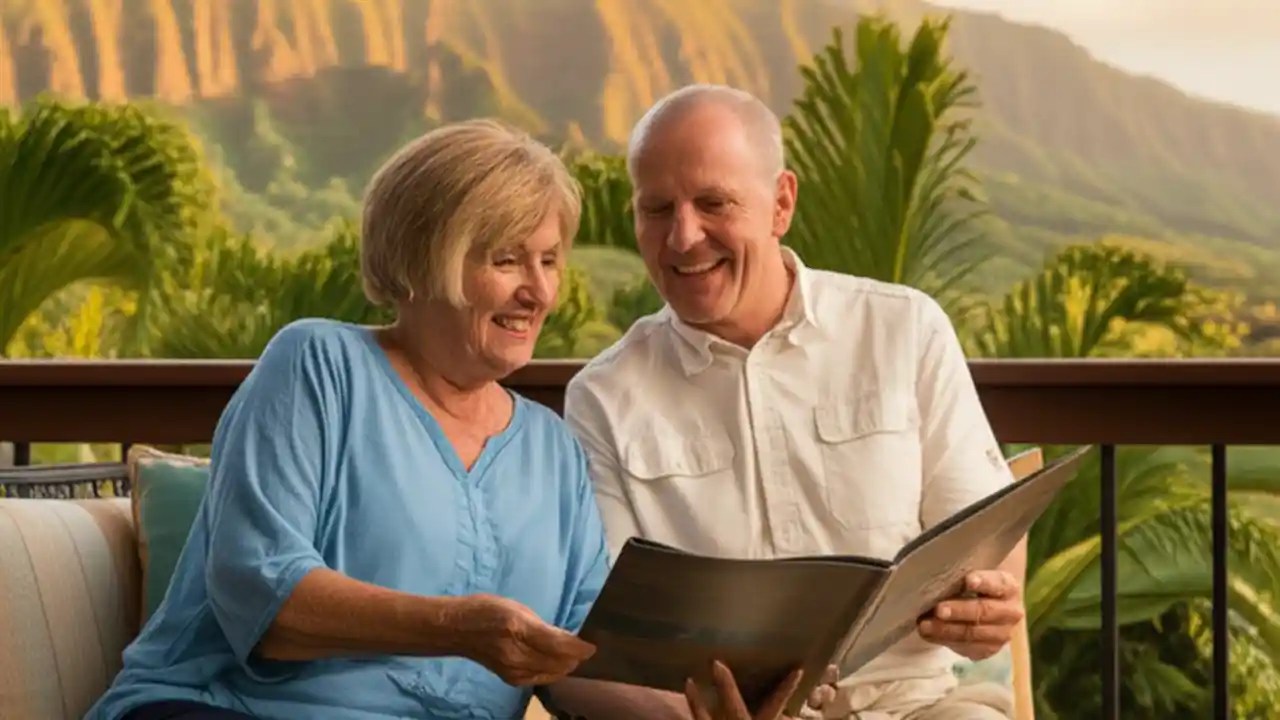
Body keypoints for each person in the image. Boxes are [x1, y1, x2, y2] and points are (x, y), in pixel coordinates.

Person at [84, 119, 830, 720]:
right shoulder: (318, 366)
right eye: (505, 259)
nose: (536, 291)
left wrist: (704, 710)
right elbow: (262, 596)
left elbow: (578, 659)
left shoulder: (550, 449)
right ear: (417, 261)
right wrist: (458, 628)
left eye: (548, 260)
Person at [562, 85, 1027, 720]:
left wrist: (990, 603)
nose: (682, 237)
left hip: (921, 706)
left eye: (713, 203)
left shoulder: (903, 328)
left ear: (781, 203)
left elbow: (984, 533)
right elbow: (611, 635)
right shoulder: (603, 397)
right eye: (657, 209)